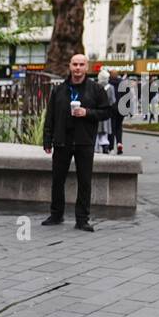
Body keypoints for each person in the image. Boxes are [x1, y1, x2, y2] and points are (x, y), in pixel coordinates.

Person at [42, 53, 112, 231]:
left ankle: (82, 219)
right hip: (62, 141)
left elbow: (106, 112)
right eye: (75, 64)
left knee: (84, 181)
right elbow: (50, 116)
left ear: (86, 67)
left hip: (84, 141)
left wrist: (87, 112)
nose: (78, 68)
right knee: (58, 180)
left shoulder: (96, 89)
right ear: (70, 66)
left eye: (81, 64)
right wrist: (47, 140)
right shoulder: (59, 90)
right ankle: (56, 215)